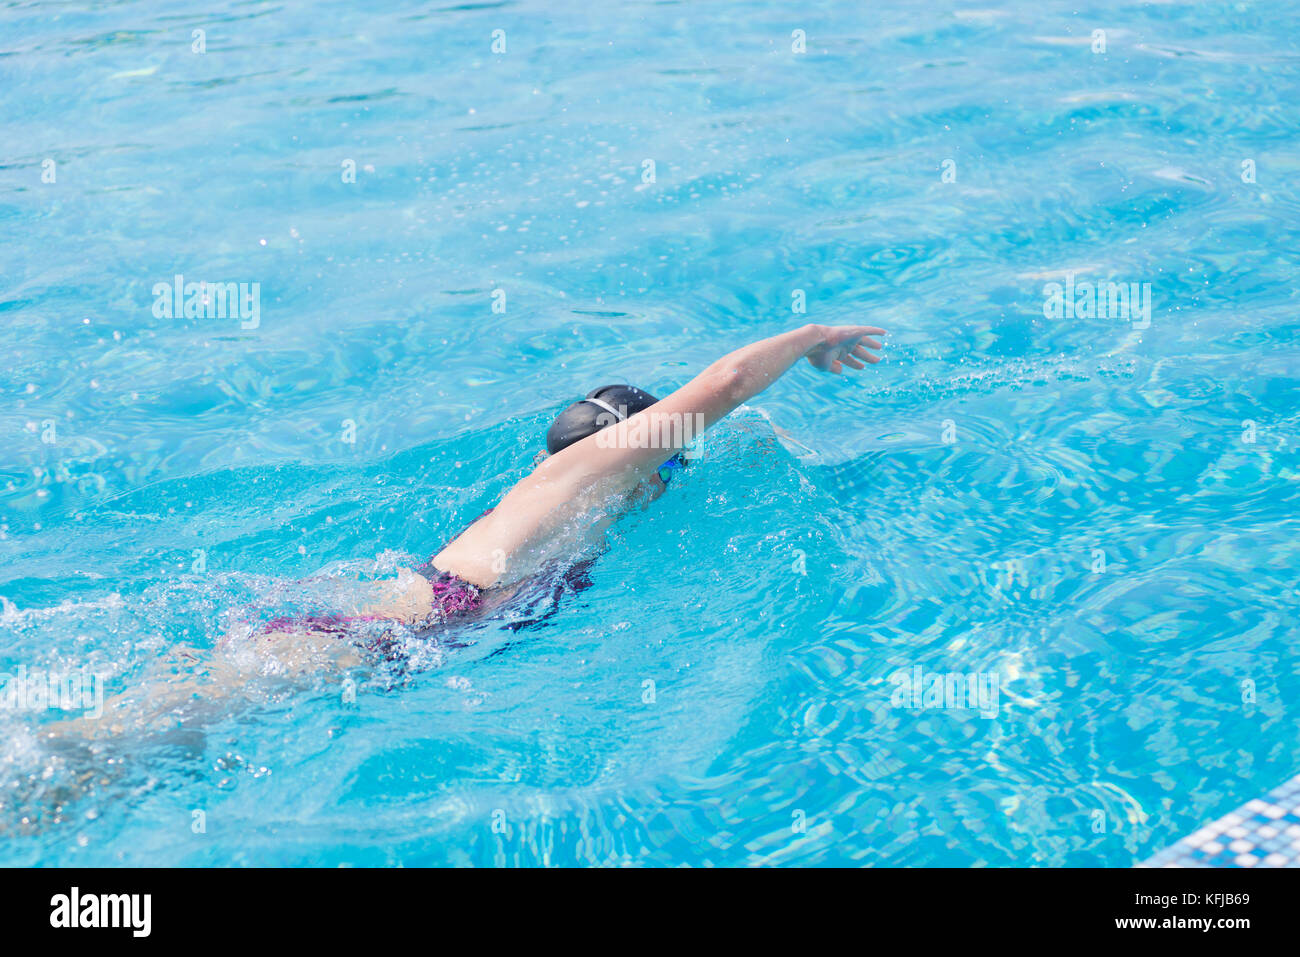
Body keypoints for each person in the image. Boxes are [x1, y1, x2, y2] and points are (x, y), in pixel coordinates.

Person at [49, 323, 885, 738]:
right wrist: (814, 336)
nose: (669, 478)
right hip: (387, 630)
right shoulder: (608, 466)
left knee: (174, 737)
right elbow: (729, 381)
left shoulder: (565, 496)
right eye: (670, 462)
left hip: (404, 632)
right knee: (133, 738)